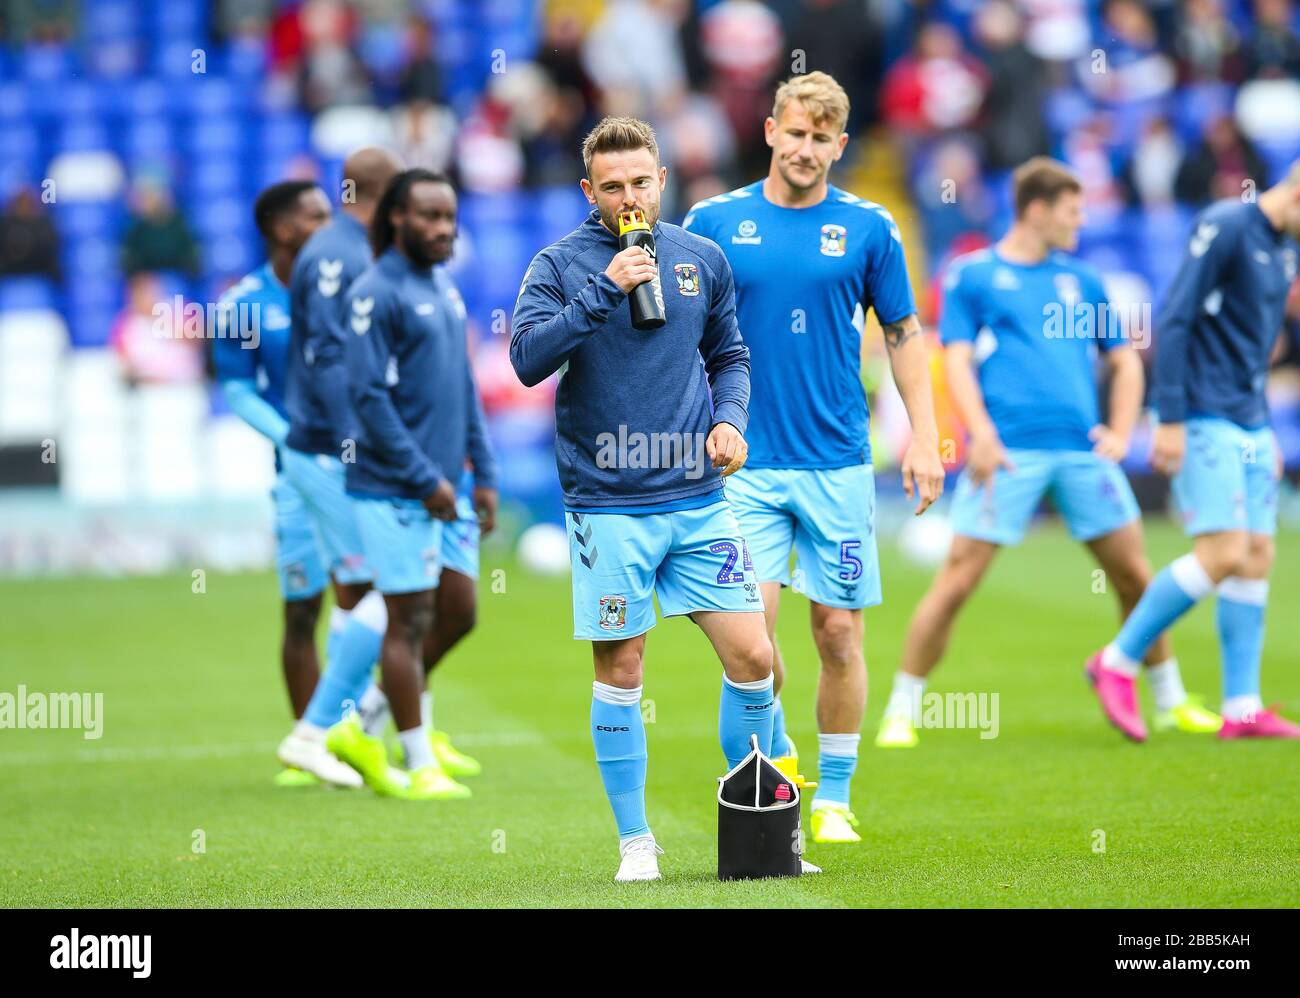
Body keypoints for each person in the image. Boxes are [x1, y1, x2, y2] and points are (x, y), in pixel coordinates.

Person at [511, 116, 788, 883]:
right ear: (588, 191)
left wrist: (731, 421)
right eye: (612, 187)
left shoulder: (703, 258)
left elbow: (729, 354)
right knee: (623, 667)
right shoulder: (560, 264)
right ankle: (637, 842)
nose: (629, 198)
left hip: (697, 497)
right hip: (607, 500)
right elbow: (528, 359)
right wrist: (605, 290)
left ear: (662, 179)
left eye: (641, 182)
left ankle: (761, 823)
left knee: (754, 654)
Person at [876, 157, 1220, 749]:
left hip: (1083, 455)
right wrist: (979, 431)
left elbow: (1124, 359)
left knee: (1136, 577)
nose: (1081, 221)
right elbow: (954, 358)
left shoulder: (1081, 280)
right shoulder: (974, 275)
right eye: (1072, 210)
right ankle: (902, 708)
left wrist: (1119, 426)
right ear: (1037, 210)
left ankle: (1169, 698)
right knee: (957, 582)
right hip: (1008, 455)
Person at [683, 71, 945, 845]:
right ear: (770, 131)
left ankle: (833, 795)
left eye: (821, 137)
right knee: (752, 637)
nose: (806, 149)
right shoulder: (714, 220)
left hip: (836, 461)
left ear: (840, 143)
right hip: (743, 463)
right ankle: (773, 771)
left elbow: (903, 334)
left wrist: (924, 436)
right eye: (794, 133)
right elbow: (673, 333)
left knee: (837, 633)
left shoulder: (871, 227)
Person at [1087, 161, 1300, 740]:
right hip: (1202, 414)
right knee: (1224, 550)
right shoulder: (1227, 224)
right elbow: (1176, 317)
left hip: (1247, 421)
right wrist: (1171, 418)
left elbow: (1254, 347)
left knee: (1256, 555)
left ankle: (1243, 709)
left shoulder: (1284, 249)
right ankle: (1116, 661)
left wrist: (1264, 434)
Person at [323, 169, 499, 799]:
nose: (443, 228)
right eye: (429, 216)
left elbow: (462, 386)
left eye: (449, 216)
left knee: (459, 612)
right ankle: (419, 761)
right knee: (407, 619)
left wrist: (483, 471)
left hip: (448, 485)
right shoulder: (376, 292)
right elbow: (367, 397)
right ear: (396, 217)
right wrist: (425, 477)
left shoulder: (444, 288)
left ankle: (359, 724)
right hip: (395, 488)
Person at [211, 180, 358, 788]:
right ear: (279, 228)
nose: (329, 224)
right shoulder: (244, 304)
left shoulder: (349, 284)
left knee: (369, 598)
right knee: (303, 609)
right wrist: (290, 436)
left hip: (358, 465)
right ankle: (309, 741)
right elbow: (238, 388)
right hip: (295, 476)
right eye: (315, 216)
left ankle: (355, 733)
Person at [275, 147, 400, 783]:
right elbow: (329, 359)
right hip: (332, 449)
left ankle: (347, 728)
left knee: (361, 594)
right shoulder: (345, 253)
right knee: (390, 591)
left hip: (320, 445)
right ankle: (320, 731)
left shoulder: (329, 248)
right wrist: (359, 444)